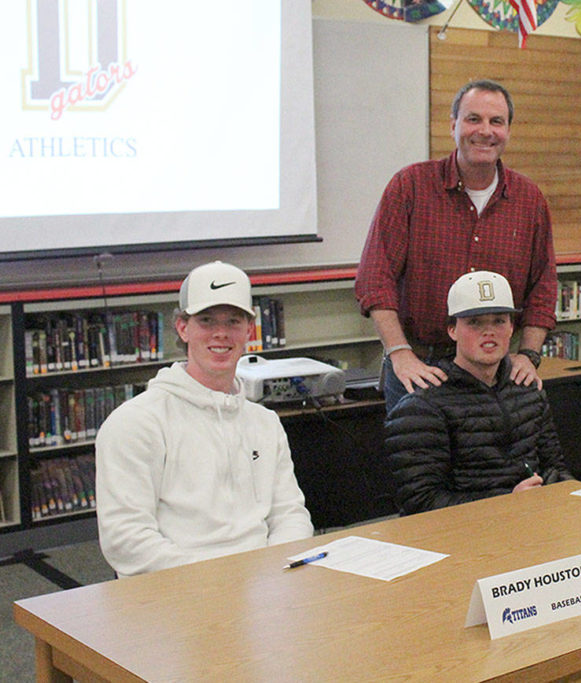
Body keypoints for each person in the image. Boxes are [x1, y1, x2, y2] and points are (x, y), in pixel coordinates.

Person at [96, 261, 313, 577]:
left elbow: (290, 514)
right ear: (183, 328)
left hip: (263, 586)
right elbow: (126, 540)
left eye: (233, 321)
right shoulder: (135, 423)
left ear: (249, 330)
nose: (221, 334)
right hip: (175, 593)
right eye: (206, 320)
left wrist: (273, 575)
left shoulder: (265, 423)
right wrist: (221, 582)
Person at [355, 79, 557, 412]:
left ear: (508, 130)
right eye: (473, 119)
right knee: (421, 463)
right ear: (453, 126)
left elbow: (543, 287)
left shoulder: (529, 199)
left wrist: (529, 355)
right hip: (419, 368)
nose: (485, 131)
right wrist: (400, 354)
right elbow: (375, 278)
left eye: (497, 122)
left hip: (493, 371)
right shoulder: (410, 187)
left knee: (492, 464)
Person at [384, 270, 573, 515]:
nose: (489, 332)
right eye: (475, 322)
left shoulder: (528, 390)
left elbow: (556, 468)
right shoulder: (421, 407)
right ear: (452, 330)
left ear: (511, 327)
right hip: (462, 537)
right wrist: (507, 502)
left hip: (530, 521)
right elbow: (421, 502)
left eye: (499, 321)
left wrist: (564, 493)